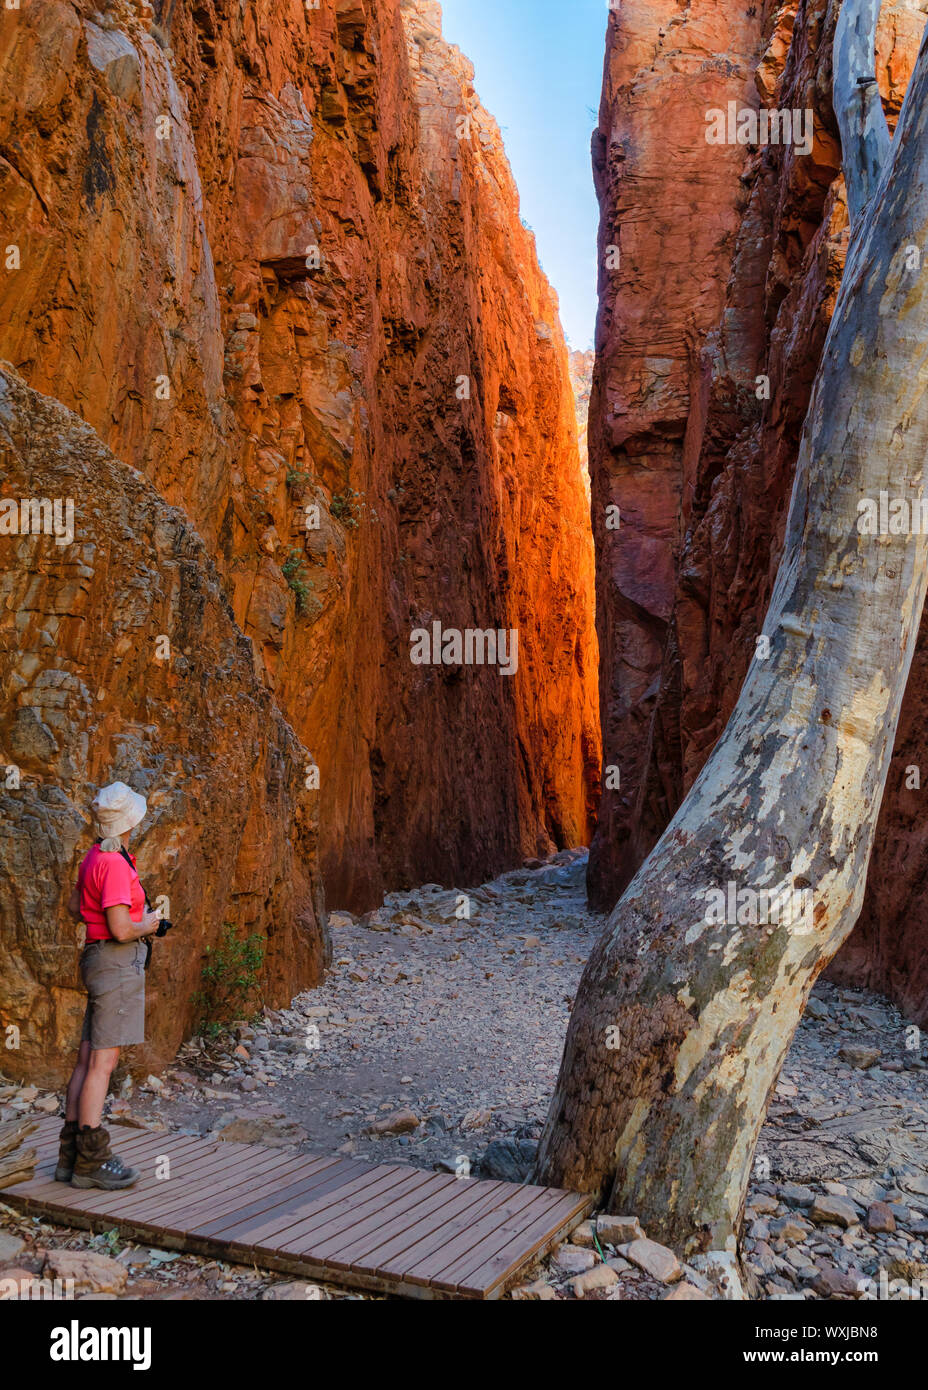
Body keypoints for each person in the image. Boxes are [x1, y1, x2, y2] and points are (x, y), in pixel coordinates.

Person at [56, 782, 161, 1189]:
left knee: (86, 1060)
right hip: (115, 964)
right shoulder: (116, 864)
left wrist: (106, 916)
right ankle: (92, 1161)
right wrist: (147, 925)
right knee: (104, 1063)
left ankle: (70, 1156)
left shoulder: (95, 856)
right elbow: (120, 929)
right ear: (130, 820)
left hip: (95, 959)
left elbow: (73, 906)